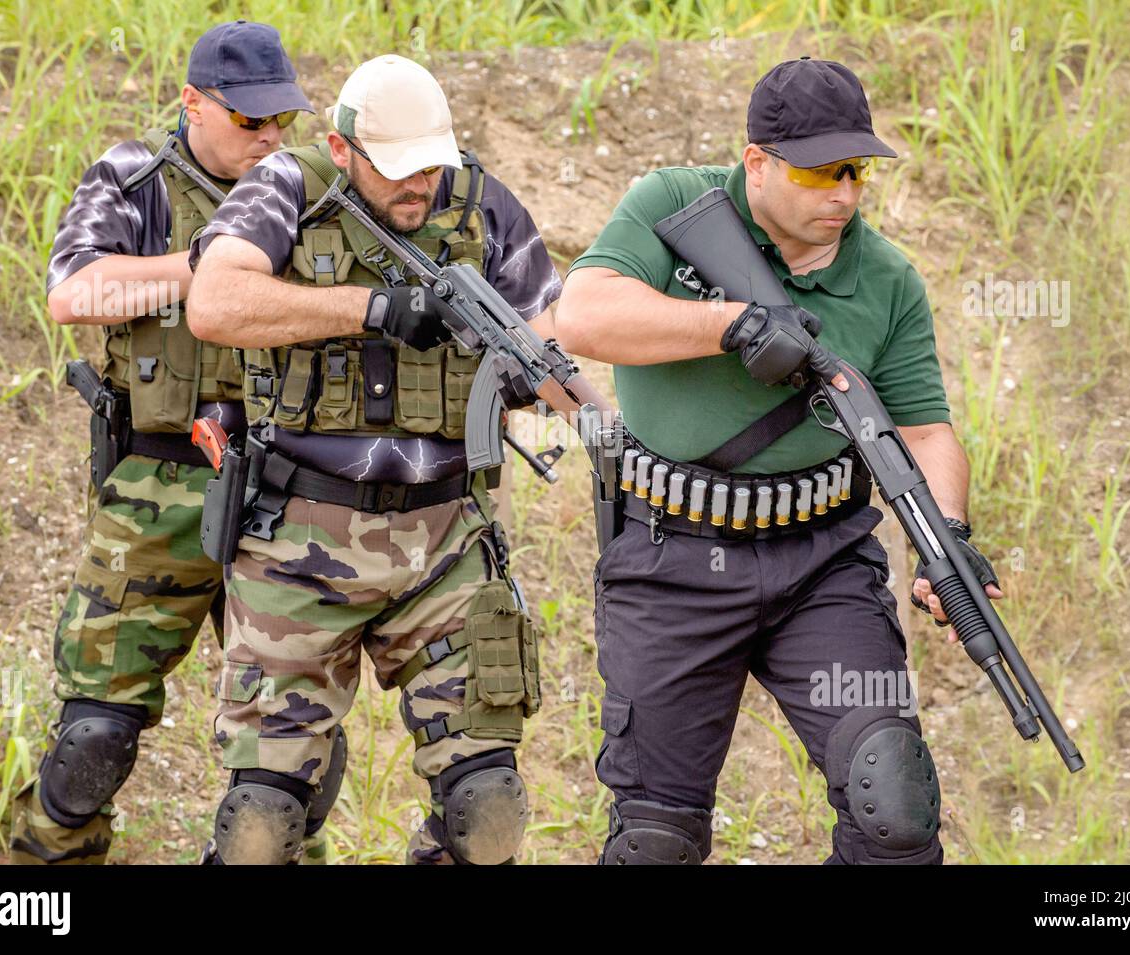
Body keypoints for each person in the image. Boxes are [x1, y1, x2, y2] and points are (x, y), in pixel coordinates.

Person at [556, 57, 1003, 864]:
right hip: (671, 558)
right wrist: (733, 326)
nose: (845, 193)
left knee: (893, 809)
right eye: (820, 171)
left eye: (856, 170)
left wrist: (951, 534)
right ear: (756, 162)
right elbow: (581, 317)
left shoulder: (888, 280)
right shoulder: (672, 204)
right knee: (656, 841)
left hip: (821, 564)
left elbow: (927, 432)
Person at [186, 54, 561, 864]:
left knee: (487, 810)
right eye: (397, 171)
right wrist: (375, 308)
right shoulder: (285, 185)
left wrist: (548, 383)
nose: (418, 187)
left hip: (446, 546)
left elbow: (562, 339)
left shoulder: (482, 203)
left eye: (430, 166)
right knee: (261, 824)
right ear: (343, 148)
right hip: (298, 542)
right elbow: (214, 301)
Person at [11, 20, 321, 865]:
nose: (268, 140)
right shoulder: (135, 177)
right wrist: (216, 263)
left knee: (288, 778)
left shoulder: (308, 187)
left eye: (280, 124)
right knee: (91, 746)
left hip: (290, 491)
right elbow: (74, 291)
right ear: (192, 102)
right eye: (249, 122)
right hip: (160, 484)